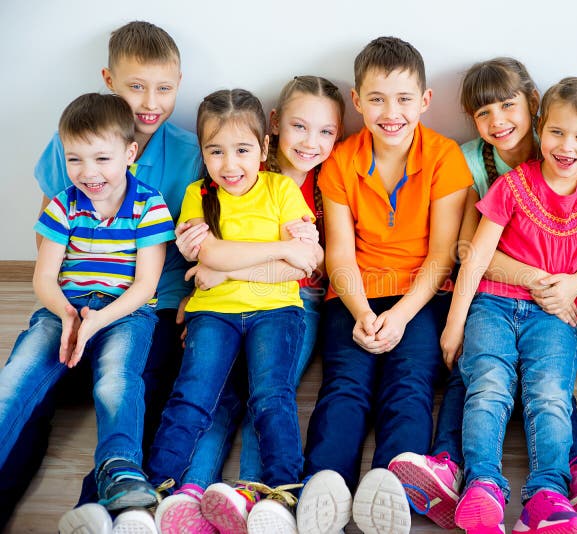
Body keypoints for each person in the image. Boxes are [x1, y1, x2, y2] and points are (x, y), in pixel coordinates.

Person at [389, 58, 577, 531]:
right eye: (559, 134)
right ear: (544, 127)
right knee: (487, 385)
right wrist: (455, 321)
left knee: (549, 393)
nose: (566, 147)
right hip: (492, 301)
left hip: (554, 313)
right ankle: (482, 486)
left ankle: (548, 493)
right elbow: (475, 255)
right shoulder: (508, 183)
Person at [14, 21, 201, 534]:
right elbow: (48, 231)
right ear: (108, 80)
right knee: (33, 391)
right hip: (77, 293)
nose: (150, 101)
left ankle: (102, 504)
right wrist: (65, 307)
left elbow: (196, 238)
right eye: (135, 85)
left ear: (179, 83)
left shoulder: (186, 152)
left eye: (163, 88)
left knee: (142, 385)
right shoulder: (71, 142)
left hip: (149, 300)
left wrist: (190, 301)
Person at [295, 36, 472, 534]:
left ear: (425, 101)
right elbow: (340, 253)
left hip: (421, 296)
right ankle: (324, 481)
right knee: (346, 387)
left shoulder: (444, 158)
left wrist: (400, 315)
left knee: (408, 385)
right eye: (376, 99)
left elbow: (441, 256)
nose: (389, 112)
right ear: (357, 101)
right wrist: (361, 312)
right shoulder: (341, 161)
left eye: (402, 99)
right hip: (352, 295)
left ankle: (393, 481)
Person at [154, 76, 344, 534]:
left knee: (270, 396)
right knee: (194, 396)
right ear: (202, 153)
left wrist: (224, 267)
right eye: (215, 151)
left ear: (263, 147)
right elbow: (209, 254)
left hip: (277, 311)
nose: (229, 163)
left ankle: (279, 490)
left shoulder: (280, 190)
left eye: (241, 150)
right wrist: (270, 251)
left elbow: (302, 266)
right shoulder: (198, 195)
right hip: (213, 315)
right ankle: (161, 490)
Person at [0, 93, 174, 529]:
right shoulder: (62, 204)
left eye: (101, 158)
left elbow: (146, 285)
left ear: (129, 153)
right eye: (75, 159)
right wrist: (67, 314)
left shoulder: (148, 205)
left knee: (117, 380)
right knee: (17, 375)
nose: (88, 172)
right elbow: (43, 276)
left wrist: (100, 318)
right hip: (64, 307)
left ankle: (118, 468)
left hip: (125, 313)